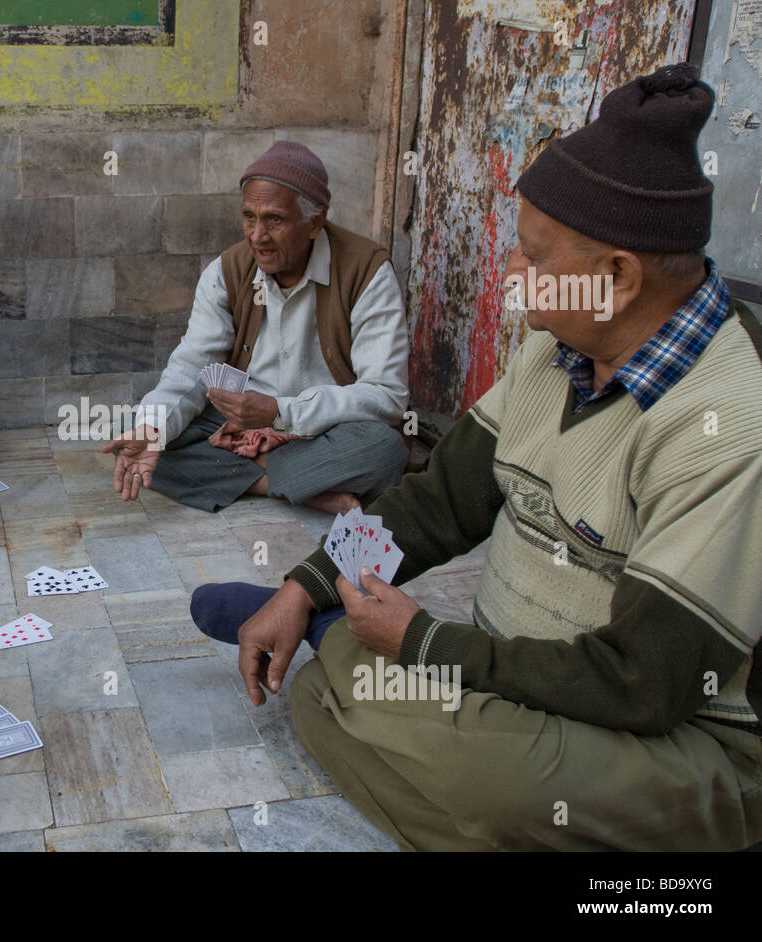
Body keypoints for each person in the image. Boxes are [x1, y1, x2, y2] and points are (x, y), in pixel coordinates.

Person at [194, 64, 762, 851]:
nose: (511, 279)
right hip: (517, 689)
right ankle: (333, 637)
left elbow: (645, 682)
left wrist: (426, 645)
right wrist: (305, 583)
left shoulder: (731, 424)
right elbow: (436, 505)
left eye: (532, 259)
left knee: (475, 771)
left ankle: (351, 657)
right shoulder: (554, 354)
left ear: (617, 279)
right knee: (333, 705)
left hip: (668, 742)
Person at [102, 140, 410, 514]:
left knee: (384, 451)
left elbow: (387, 396)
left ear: (315, 222)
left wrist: (279, 413)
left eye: (274, 220)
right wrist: (153, 431)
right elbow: (192, 366)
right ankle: (289, 486)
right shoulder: (226, 271)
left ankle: (253, 476)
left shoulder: (367, 271)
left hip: (322, 428)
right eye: (249, 217)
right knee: (136, 429)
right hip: (237, 424)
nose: (257, 236)